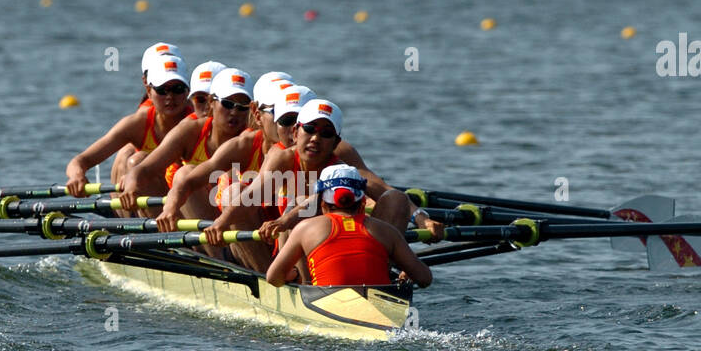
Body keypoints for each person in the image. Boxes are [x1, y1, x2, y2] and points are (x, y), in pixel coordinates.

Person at [204, 98, 444, 272]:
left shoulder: (341, 167)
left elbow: (384, 190)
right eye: (309, 129)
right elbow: (252, 198)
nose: (316, 138)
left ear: (336, 142)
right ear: (297, 133)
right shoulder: (282, 158)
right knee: (287, 205)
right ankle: (289, 281)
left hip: (342, 251)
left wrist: (423, 220)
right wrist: (220, 225)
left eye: (326, 133)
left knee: (396, 200)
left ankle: (378, 271)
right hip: (295, 252)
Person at [266, 164, 433, 289]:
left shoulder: (305, 228)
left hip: (325, 305)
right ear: (362, 203)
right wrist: (407, 270)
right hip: (381, 309)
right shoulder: (387, 231)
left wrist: (292, 275)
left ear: (322, 203)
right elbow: (425, 278)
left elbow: (273, 277)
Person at [118, 68, 254, 212]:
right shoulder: (189, 130)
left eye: (242, 107)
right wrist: (132, 185)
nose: (234, 112)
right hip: (195, 210)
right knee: (182, 173)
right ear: (212, 102)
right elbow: (144, 169)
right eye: (227, 104)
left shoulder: (252, 137)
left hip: (240, 217)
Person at [64, 54, 194, 197]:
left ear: (188, 90)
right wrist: (77, 176)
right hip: (157, 200)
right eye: (162, 90)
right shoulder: (137, 123)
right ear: (149, 92)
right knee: (133, 159)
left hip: (189, 200)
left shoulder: (199, 123)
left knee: (143, 165)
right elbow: (80, 160)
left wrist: (135, 176)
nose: (170, 96)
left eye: (178, 88)